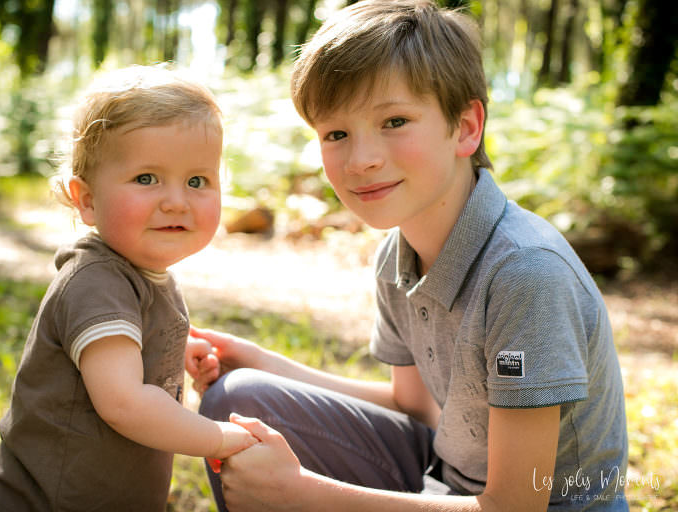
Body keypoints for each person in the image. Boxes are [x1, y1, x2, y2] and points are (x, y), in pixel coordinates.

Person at [190, 1, 629, 511]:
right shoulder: (398, 257)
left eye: (394, 120)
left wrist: (301, 494)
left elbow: (514, 507)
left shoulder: (525, 274)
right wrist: (262, 362)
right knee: (237, 398)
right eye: (337, 134)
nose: (362, 159)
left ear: (466, 127)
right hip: (443, 477)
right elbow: (413, 407)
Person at [0, 65, 257, 512]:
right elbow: (123, 402)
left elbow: (124, 348)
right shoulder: (96, 282)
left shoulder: (141, 272)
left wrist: (172, 349)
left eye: (197, 181)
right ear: (87, 199)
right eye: (146, 178)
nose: (176, 200)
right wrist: (217, 437)